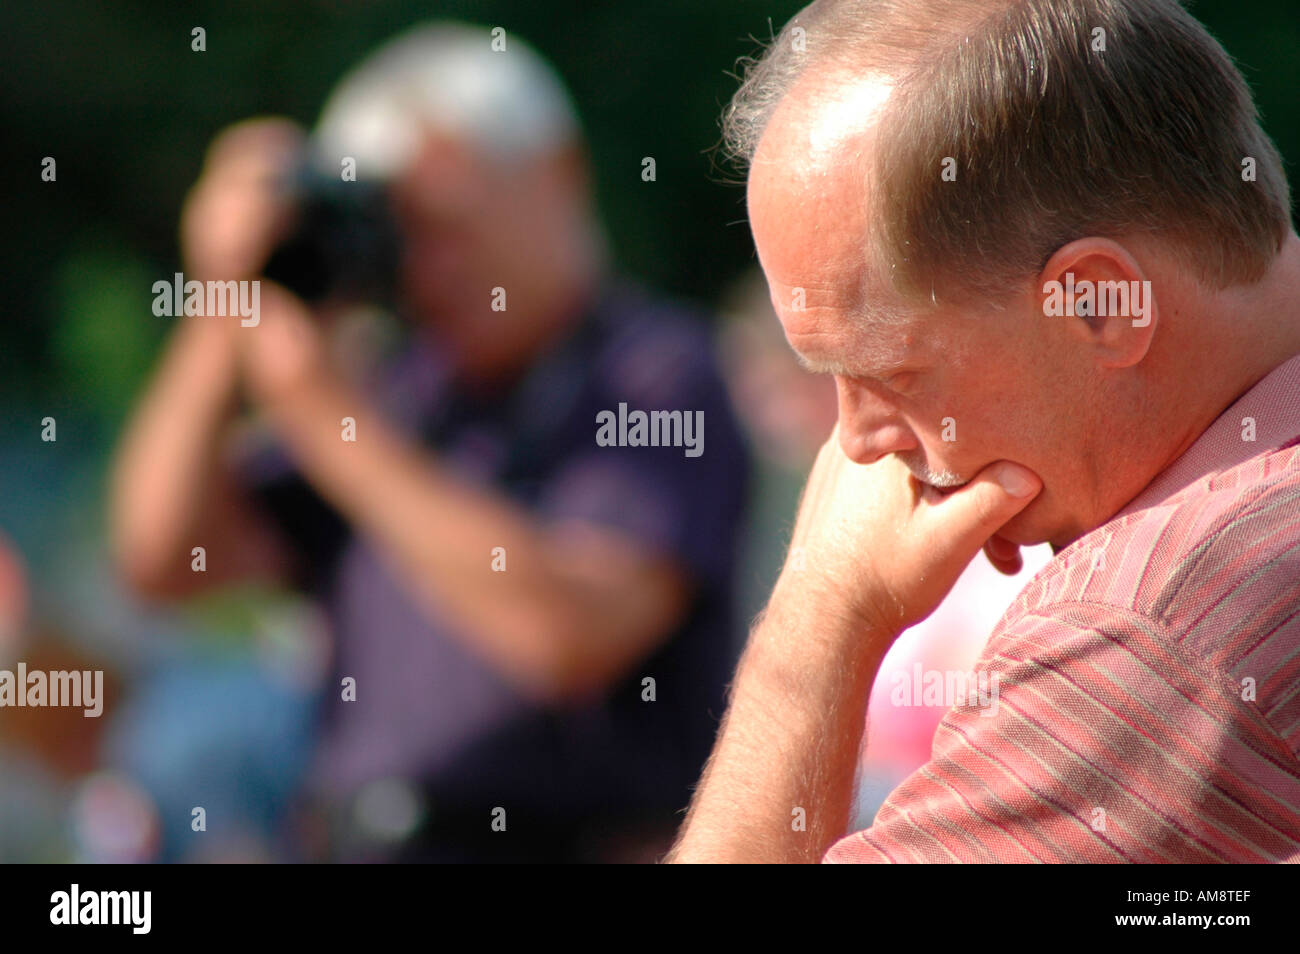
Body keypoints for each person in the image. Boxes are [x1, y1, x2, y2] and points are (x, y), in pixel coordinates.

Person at [670, 0, 1300, 863]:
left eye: (890, 375)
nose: (855, 444)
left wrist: (817, 625)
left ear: (1095, 305)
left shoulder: (1143, 636)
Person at [110, 23, 748, 862]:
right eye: (394, 233)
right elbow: (165, 559)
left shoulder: (656, 373)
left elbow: (568, 632)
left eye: (446, 223)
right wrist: (228, 301)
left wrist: (317, 410)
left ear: (560, 174)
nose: (424, 266)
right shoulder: (396, 395)